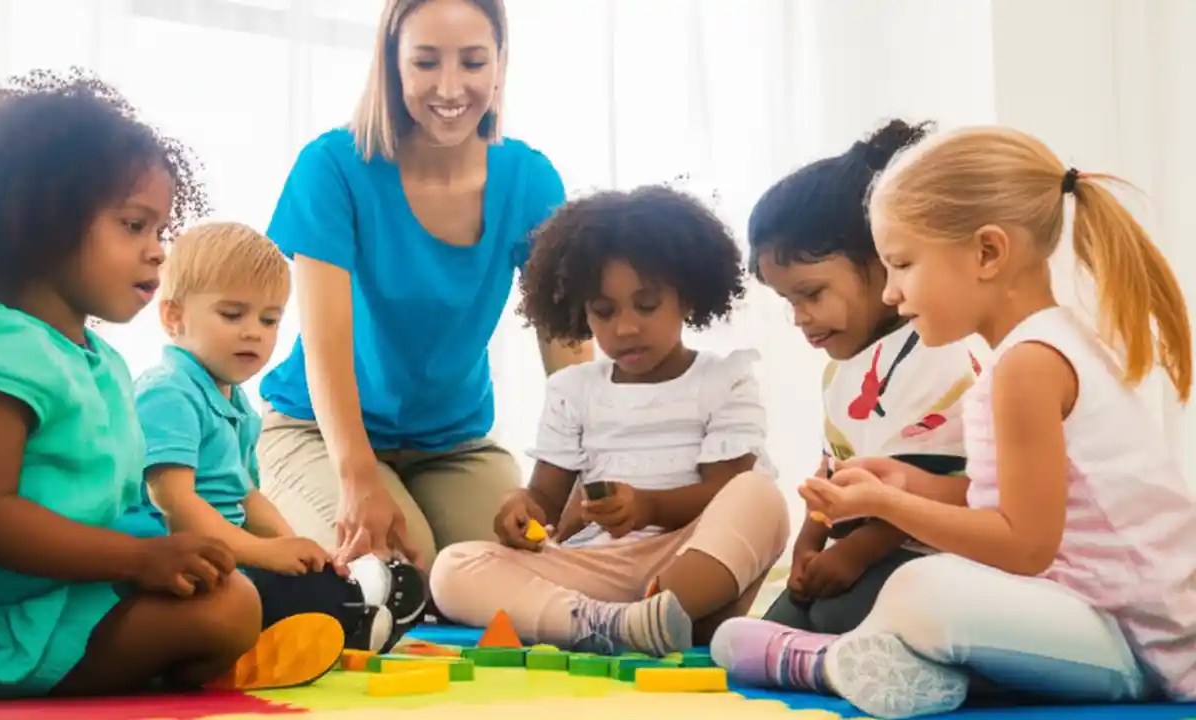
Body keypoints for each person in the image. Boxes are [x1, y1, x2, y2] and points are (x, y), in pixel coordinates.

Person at [714, 126, 1196, 719]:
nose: (890, 293)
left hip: (1138, 644)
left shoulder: (1029, 365)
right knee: (923, 590)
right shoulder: (1039, 348)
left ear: (988, 254)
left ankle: (825, 661)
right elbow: (1013, 503)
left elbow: (1022, 546)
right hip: (1084, 612)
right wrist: (908, 483)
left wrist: (891, 509)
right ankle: (863, 660)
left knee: (922, 590)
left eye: (902, 265)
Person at [0, 70, 340, 700]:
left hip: (72, 592)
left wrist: (172, 553)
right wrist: (140, 560)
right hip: (4, 620)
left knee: (232, 597)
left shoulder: (102, 363)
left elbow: (115, 506)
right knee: (230, 612)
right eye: (134, 226)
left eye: (161, 230)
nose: (158, 253)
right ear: (42, 222)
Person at [256, 0, 590, 579]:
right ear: (393, 65)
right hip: (319, 430)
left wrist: (586, 471)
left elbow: (568, 350)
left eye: (473, 62)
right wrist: (358, 479)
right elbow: (328, 346)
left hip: (453, 443)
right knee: (401, 575)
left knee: (522, 572)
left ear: (499, 66)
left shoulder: (530, 179)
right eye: (427, 62)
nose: (451, 86)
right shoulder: (332, 166)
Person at [429, 186, 789, 655]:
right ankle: (608, 624)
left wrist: (649, 508)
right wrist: (522, 508)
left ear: (687, 298)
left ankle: (667, 610)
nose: (625, 327)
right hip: (595, 566)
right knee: (453, 567)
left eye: (646, 305)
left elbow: (726, 489)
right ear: (580, 311)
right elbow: (546, 500)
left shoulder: (725, 379)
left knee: (760, 495)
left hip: (685, 555)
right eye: (604, 311)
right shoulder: (573, 390)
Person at [123, 221, 427, 653]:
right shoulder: (168, 392)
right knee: (287, 598)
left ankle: (349, 615)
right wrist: (264, 554)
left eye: (270, 319)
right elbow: (177, 507)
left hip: (231, 557)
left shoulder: (236, 402)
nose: (254, 332)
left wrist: (299, 551)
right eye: (233, 315)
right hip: (184, 566)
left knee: (317, 582)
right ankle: (344, 622)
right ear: (174, 316)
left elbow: (247, 497)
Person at [749, 119, 979, 635]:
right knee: (765, 629)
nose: (800, 317)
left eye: (812, 294)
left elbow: (935, 485)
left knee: (837, 613)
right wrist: (809, 544)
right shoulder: (841, 370)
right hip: (856, 551)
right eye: (789, 301)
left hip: (927, 554)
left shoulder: (933, 352)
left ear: (881, 262)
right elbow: (835, 468)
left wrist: (853, 554)